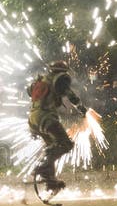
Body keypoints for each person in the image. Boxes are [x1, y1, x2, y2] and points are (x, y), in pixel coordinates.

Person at [27, 60, 87, 191]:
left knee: (52, 148)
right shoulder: (60, 79)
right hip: (46, 118)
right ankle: (42, 168)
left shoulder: (41, 80)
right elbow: (70, 95)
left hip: (33, 119)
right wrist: (81, 108)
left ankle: (51, 181)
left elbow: (30, 92)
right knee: (66, 144)